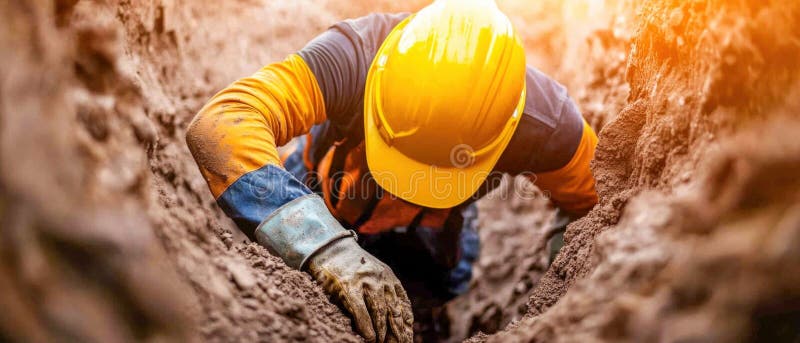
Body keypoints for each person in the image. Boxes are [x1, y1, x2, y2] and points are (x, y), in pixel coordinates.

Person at [185, 0, 598, 341]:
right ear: (379, 81)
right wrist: (320, 244)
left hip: (432, 240)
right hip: (322, 197)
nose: (405, 188)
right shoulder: (354, 55)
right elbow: (222, 121)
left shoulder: (545, 124)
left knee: (428, 304)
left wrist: (560, 294)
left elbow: (598, 204)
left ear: (506, 129)